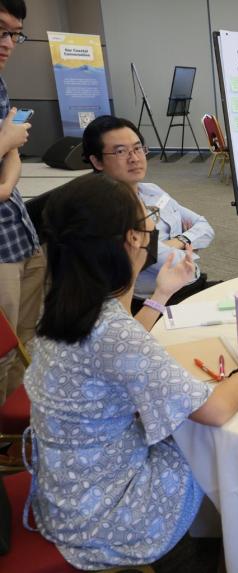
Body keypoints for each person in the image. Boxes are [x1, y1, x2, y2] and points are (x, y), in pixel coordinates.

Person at [23, 173, 238, 570]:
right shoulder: (111, 330)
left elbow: (119, 344)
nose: (154, 229)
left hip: (66, 489)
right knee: (211, 449)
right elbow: (213, 410)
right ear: (133, 239)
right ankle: (207, 554)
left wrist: (161, 294)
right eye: (150, 221)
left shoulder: (66, 303)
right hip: (106, 516)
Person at [82, 115, 215, 314]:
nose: (134, 158)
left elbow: (205, 227)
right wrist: (189, 247)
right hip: (153, 303)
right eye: (120, 151)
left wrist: (178, 240)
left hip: (189, 287)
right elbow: (187, 265)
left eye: (137, 148)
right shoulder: (105, 212)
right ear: (97, 161)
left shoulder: (151, 191)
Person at [0, 0, 40, 405]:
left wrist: (5, 186)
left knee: (24, 343)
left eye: (14, 34)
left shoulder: (0, 84)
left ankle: (12, 440)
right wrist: (6, 142)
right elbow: (7, 144)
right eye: (0, 31)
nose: (8, 43)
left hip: (19, 233)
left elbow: (10, 170)